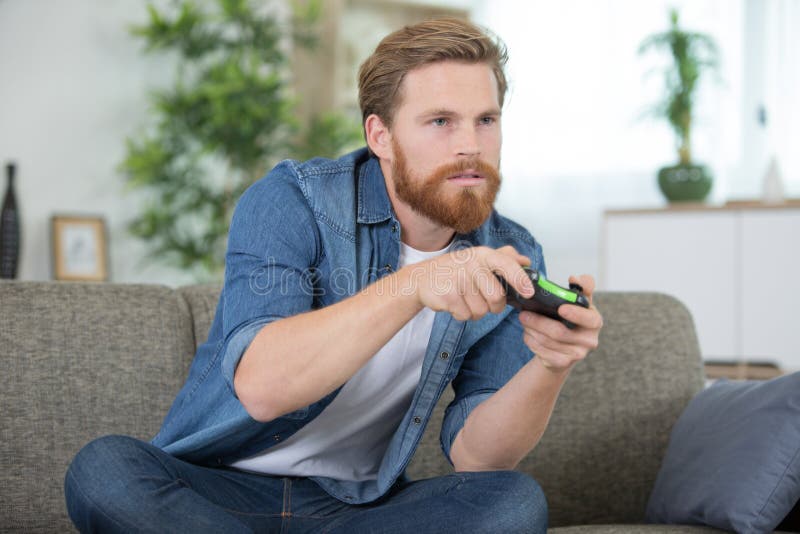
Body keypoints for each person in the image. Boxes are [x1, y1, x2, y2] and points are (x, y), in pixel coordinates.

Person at [65, 17, 602, 533]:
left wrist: (552, 365)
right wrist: (418, 284)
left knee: (513, 502)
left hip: (354, 511)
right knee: (104, 470)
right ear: (381, 136)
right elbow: (263, 388)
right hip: (218, 490)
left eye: (486, 120)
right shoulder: (294, 200)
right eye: (441, 121)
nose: (471, 145)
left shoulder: (511, 251)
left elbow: (477, 454)